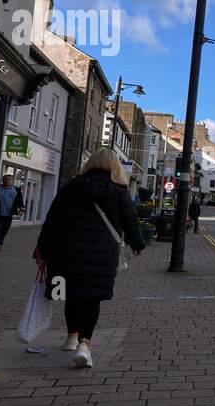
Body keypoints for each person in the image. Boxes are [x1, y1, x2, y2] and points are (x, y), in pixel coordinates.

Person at [36, 147, 144, 368]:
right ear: (114, 166)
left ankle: (71, 337)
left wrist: (42, 251)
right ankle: (85, 344)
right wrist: (137, 243)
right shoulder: (119, 191)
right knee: (91, 298)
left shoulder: (71, 187)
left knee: (71, 295)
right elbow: (130, 220)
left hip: (67, 251)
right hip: (101, 253)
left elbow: (52, 220)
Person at [0, 173, 27, 251]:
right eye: (6, 179)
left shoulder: (16, 190)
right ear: (2, 180)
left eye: (10, 179)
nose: (8, 181)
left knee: (5, 228)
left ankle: (0, 241)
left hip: (9, 213)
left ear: (12, 181)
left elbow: (19, 200)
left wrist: (22, 207)